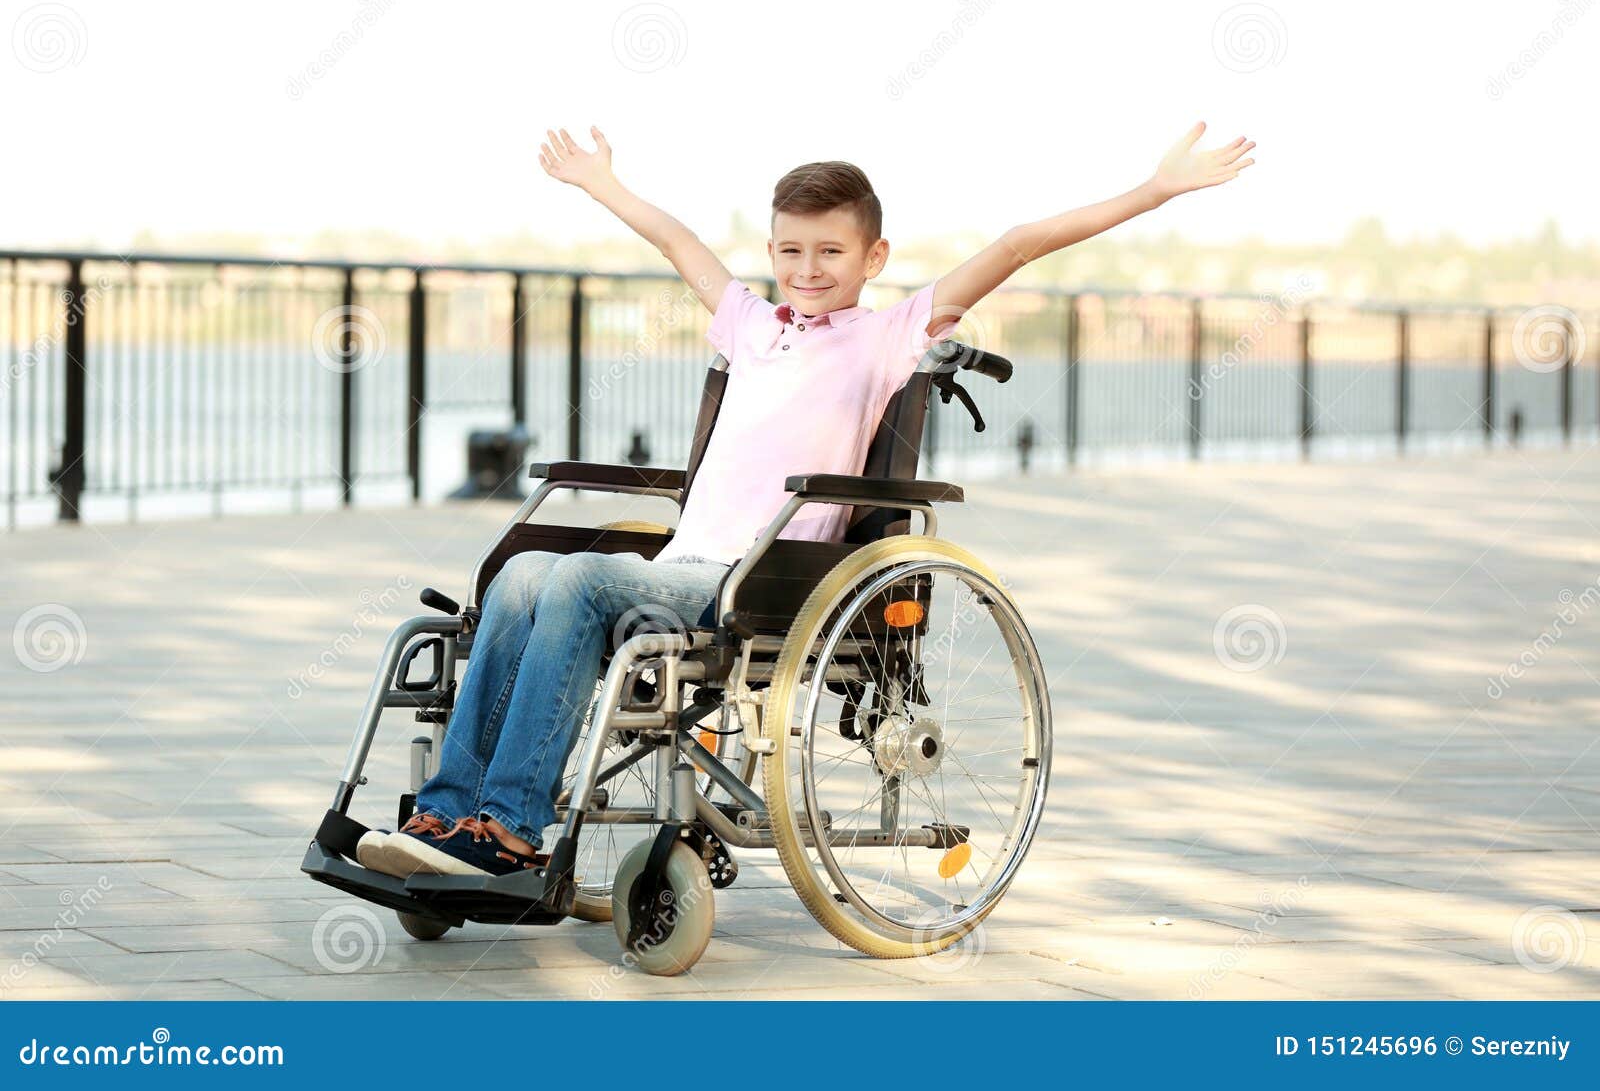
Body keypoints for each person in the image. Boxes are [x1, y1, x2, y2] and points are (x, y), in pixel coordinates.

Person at [360, 122, 1255, 877]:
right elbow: (675, 241)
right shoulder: (750, 326)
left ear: (874, 256)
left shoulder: (887, 338)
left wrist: (1155, 190)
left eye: (830, 251)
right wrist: (602, 183)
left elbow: (1018, 244)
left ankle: (511, 826)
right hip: (680, 566)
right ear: (772, 251)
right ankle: (447, 813)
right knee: (525, 576)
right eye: (791, 250)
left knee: (578, 578)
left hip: (753, 582)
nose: (809, 267)